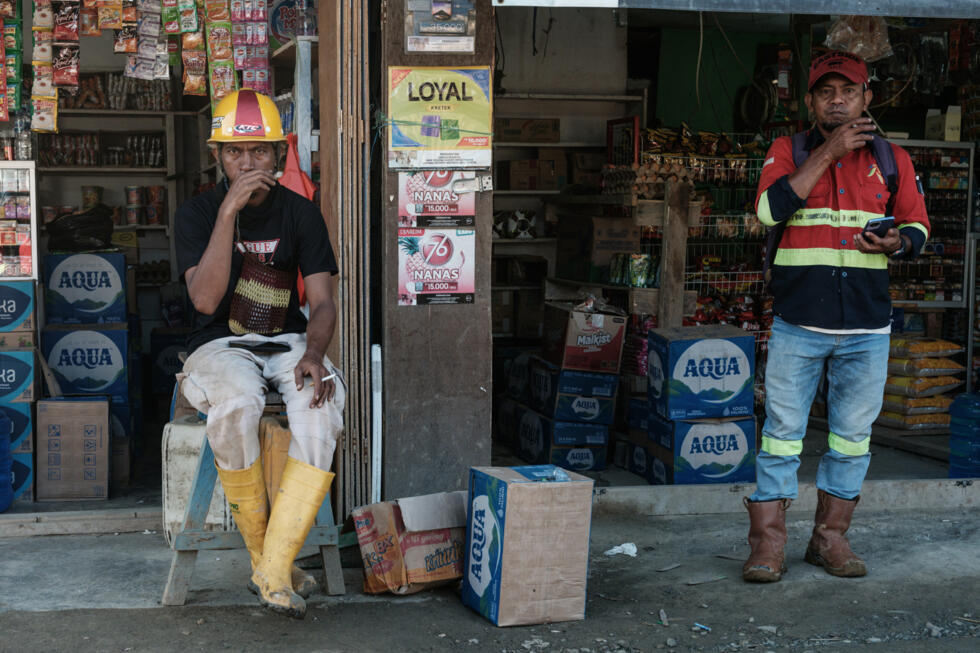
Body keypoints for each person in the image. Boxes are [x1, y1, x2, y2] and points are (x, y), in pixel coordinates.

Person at [746, 51, 929, 582]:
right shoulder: (790, 150)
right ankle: (767, 547)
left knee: (852, 438)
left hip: (866, 329)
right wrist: (828, 151)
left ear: (866, 98)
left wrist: (899, 242)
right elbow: (767, 211)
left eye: (847, 90)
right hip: (799, 323)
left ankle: (830, 539)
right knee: (781, 436)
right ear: (810, 102)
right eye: (826, 91)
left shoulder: (892, 159)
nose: (837, 99)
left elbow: (918, 226)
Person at [174, 89, 345, 618]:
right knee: (239, 405)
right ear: (218, 157)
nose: (246, 163)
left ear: (279, 154)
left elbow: (322, 302)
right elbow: (203, 298)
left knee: (321, 408)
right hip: (217, 345)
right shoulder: (199, 213)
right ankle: (269, 564)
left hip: (286, 341)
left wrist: (314, 353)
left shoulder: (301, 214)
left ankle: (272, 570)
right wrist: (228, 214)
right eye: (233, 152)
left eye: (259, 153)